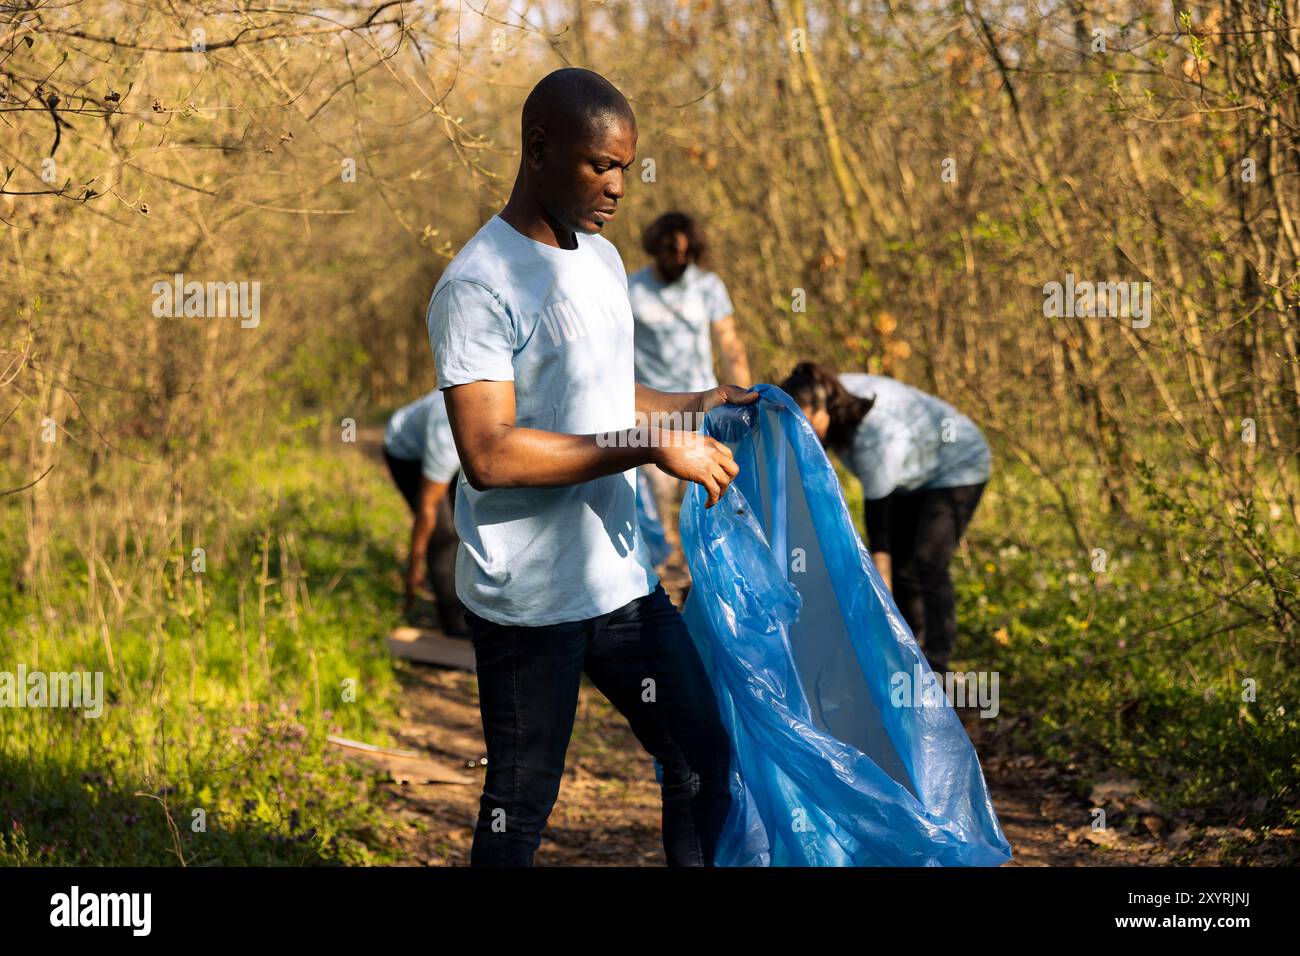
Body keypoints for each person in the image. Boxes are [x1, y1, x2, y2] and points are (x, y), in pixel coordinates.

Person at [425, 68, 758, 867]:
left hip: (618, 581)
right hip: (528, 603)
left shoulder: (603, 260)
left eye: (627, 169)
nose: (617, 187)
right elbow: (490, 453)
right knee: (520, 805)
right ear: (538, 149)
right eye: (599, 165)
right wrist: (650, 450)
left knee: (701, 758)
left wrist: (698, 401)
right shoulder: (476, 286)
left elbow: (613, 394)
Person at [780, 362, 991, 674]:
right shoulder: (825, 388)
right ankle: (908, 649)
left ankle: (937, 663)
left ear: (823, 410)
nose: (804, 432)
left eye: (808, 423)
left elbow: (881, 533)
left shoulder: (874, 438)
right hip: (914, 469)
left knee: (927, 561)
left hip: (959, 464)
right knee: (905, 565)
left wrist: (880, 598)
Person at [629, 212, 751, 560]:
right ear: (657, 248)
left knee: (705, 502)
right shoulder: (631, 288)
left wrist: (742, 403)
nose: (678, 259)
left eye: (686, 252)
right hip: (650, 416)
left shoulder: (708, 286)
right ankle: (664, 577)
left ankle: (698, 575)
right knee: (656, 508)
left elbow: (730, 345)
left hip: (703, 409)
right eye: (671, 251)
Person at [381, 389, 468, 637]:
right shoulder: (447, 436)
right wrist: (414, 565)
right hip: (404, 451)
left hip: (448, 446)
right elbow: (426, 511)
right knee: (443, 534)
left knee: (464, 519)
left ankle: (470, 603)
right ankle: (455, 624)